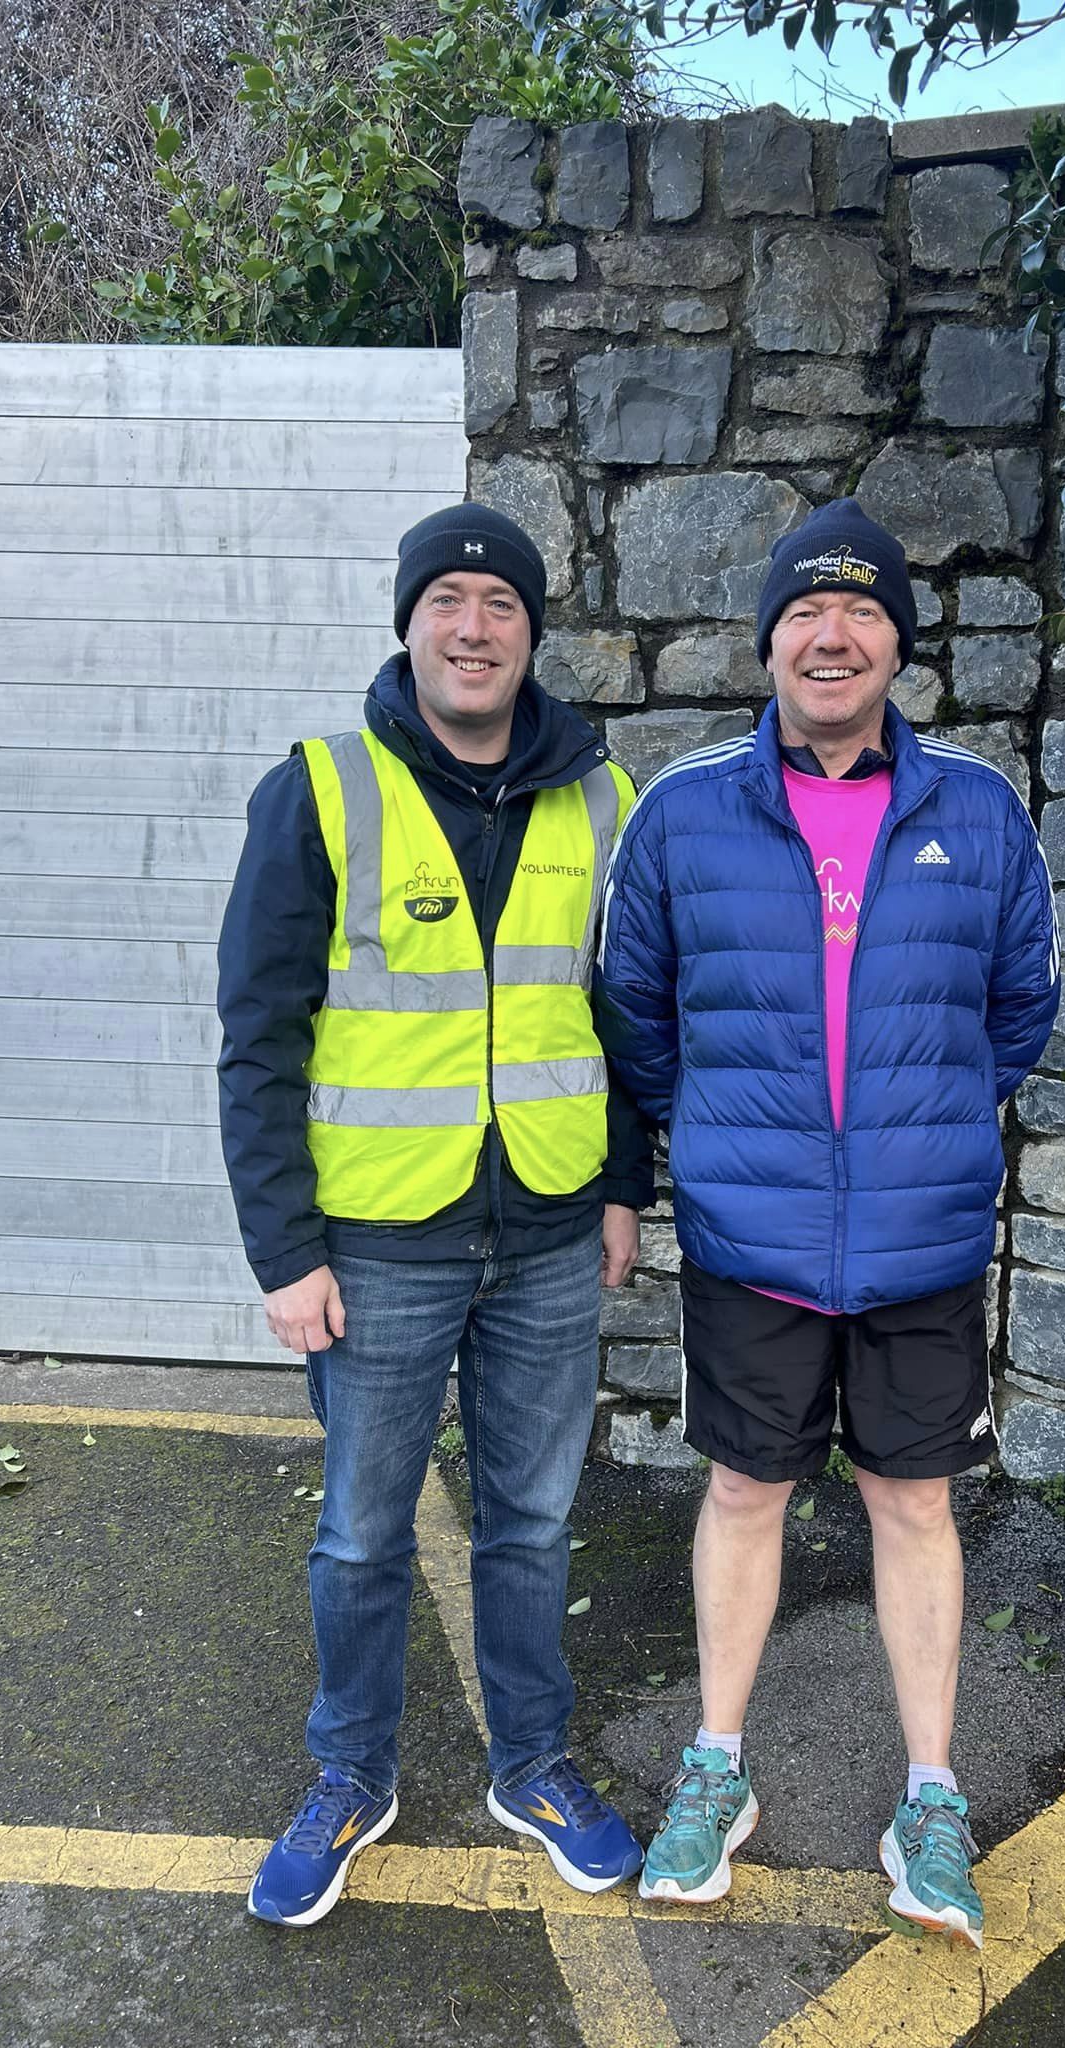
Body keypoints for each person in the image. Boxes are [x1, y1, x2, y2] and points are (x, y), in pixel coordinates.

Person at [595, 497, 1060, 1945]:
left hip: (920, 1243)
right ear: (770, 642)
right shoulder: (681, 811)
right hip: (754, 1241)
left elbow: (1019, 1010)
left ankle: (931, 1799)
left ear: (899, 647)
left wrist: (913, 1131)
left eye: (860, 612)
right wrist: (733, 1139)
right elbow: (637, 1014)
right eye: (806, 611)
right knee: (742, 1492)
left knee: (914, 1504)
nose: (832, 634)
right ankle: (715, 1766)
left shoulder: (977, 811)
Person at [217, 503, 650, 1926]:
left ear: (533, 632)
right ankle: (350, 1774)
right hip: (377, 1244)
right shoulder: (323, 788)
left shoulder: (601, 796)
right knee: (360, 1534)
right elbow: (258, 1034)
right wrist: (284, 1251)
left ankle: (532, 1764)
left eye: (502, 605)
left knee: (529, 1525)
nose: (474, 627)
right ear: (409, 622)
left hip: (543, 1232)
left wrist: (621, 1185)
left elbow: (627, 1015)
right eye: (449, 599)